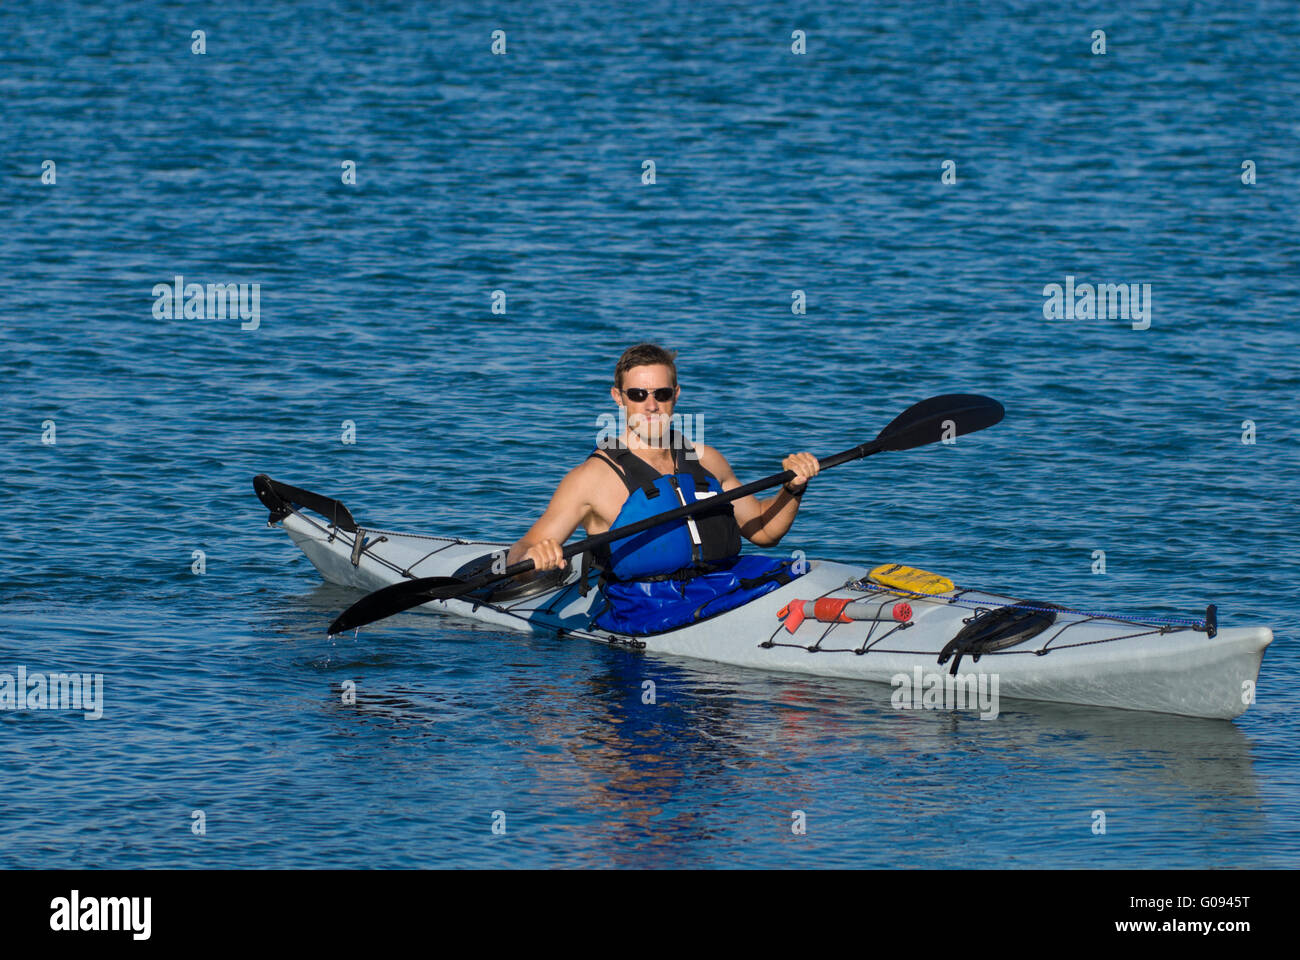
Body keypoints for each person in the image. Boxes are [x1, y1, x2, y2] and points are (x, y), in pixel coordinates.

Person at [506, 343, 819, 634]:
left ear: (676, 394)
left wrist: (792, 489)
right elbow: (520, 552)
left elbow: (764, 532)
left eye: (662, 394)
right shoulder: (591, 478)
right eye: (638, 394)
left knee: (798, 570)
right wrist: (533, 556)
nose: (651, 405)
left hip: (724, 585)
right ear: (618, 397)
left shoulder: (707, 460)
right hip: (645, 608)